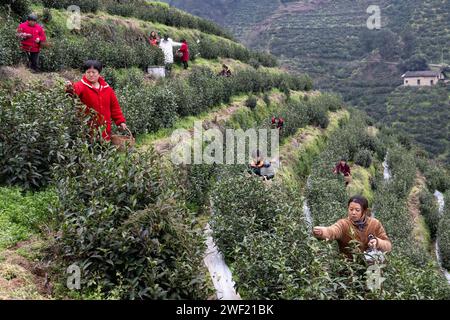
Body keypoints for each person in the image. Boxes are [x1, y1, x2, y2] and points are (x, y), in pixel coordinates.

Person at [313, 195, 392, 259]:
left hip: (370, 270)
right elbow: (333, 231)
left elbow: (388, 246)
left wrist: (377, 242)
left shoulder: (375, 224)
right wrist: (322, 232)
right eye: (351, 209)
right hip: (350, 272)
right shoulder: (344, 224)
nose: (353, 213)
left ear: (364, 211)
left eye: (357, 210)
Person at [65, 60, 127, 141]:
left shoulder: (107, 89)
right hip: (87, 127)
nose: (91, 75)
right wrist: (69, 88)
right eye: (88, 72)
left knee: (104, 148)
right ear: (85, 73)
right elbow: (73, 92)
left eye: (94, 72)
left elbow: (114, 107)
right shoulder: (81, 85)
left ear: (99, 73)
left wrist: (120, 121)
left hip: (105, 127)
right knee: (90, 149)